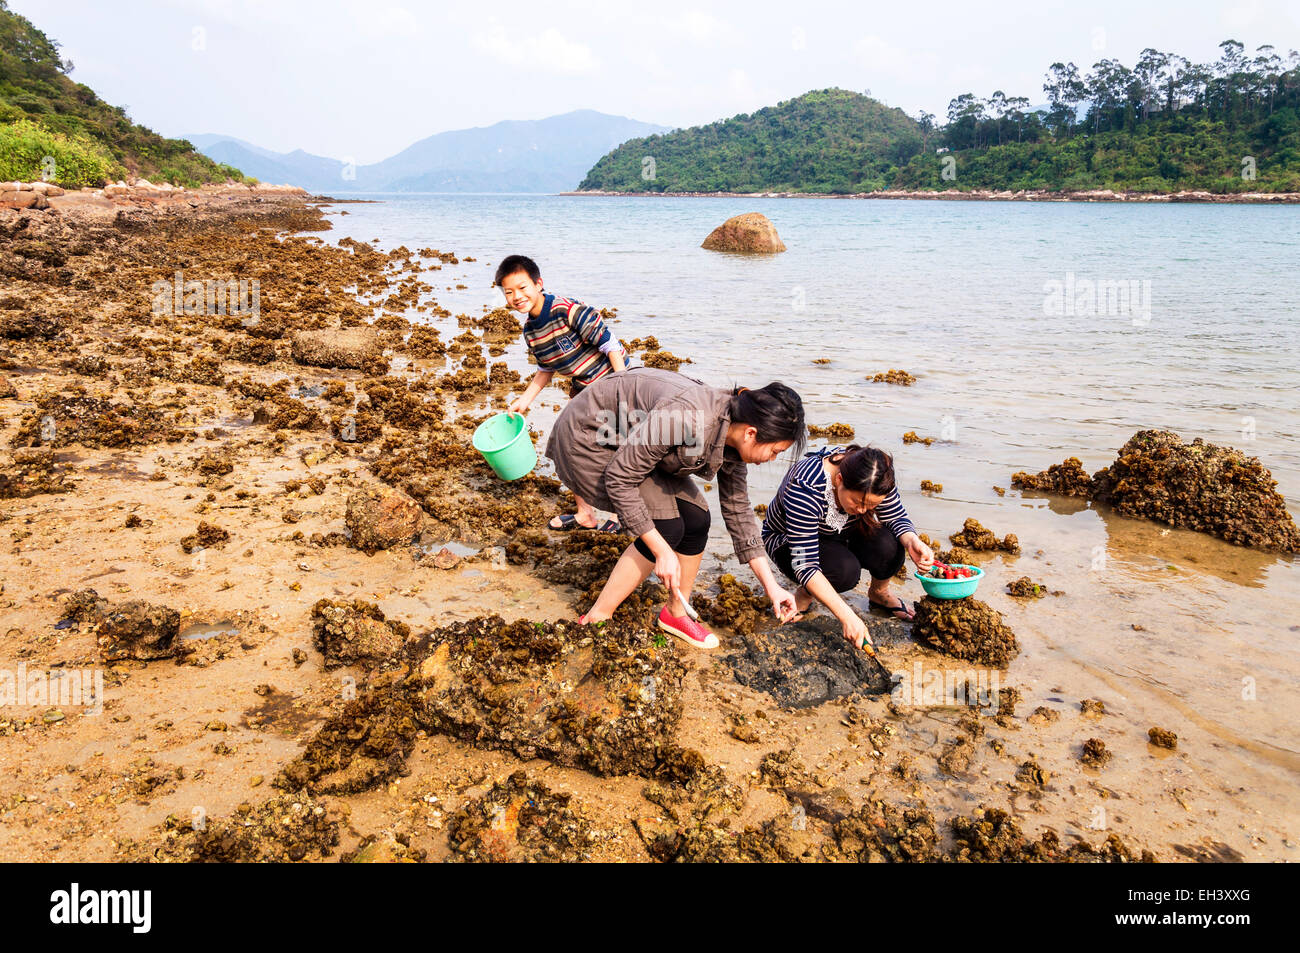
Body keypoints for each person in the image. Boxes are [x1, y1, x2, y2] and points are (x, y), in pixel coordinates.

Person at [544, 366, 805, 649]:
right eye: (775, 451)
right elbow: (620, 478)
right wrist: (662, 551)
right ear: (751, 433)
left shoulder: (733, 431)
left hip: (632, 442)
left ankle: (675, 613)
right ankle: (598, 616)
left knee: (697, 519)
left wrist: (772, 587)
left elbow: (738, 509)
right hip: (589, 438)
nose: (771, 459)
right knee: (665, 528)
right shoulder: (689, 419)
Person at [495, 254, 626, 532]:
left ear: (538, 283)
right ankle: (585, 514)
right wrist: (524, 400)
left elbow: (610, 343)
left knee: (614, 450)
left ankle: (620, 516)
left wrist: (622, 385)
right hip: (582, 390)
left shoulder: (566, 310)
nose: (517, 296)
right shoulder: (530, 331)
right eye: (509, 292)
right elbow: (546, 368)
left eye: (522, 287)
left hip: (613, 384)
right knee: (568, 447)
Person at [762, 444, 934, 651]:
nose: (862, 510)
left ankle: (879, 593)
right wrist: (847, 616)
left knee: (890, 544)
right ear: (839, 480)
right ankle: (805, 594)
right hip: (789, 541)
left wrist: (912, 540)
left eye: (870, 506)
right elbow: (804, 564)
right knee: (844, 572)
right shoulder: (806, 486)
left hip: (841, 533)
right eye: (857, 502)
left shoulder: (876, 476)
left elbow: (895, 516)